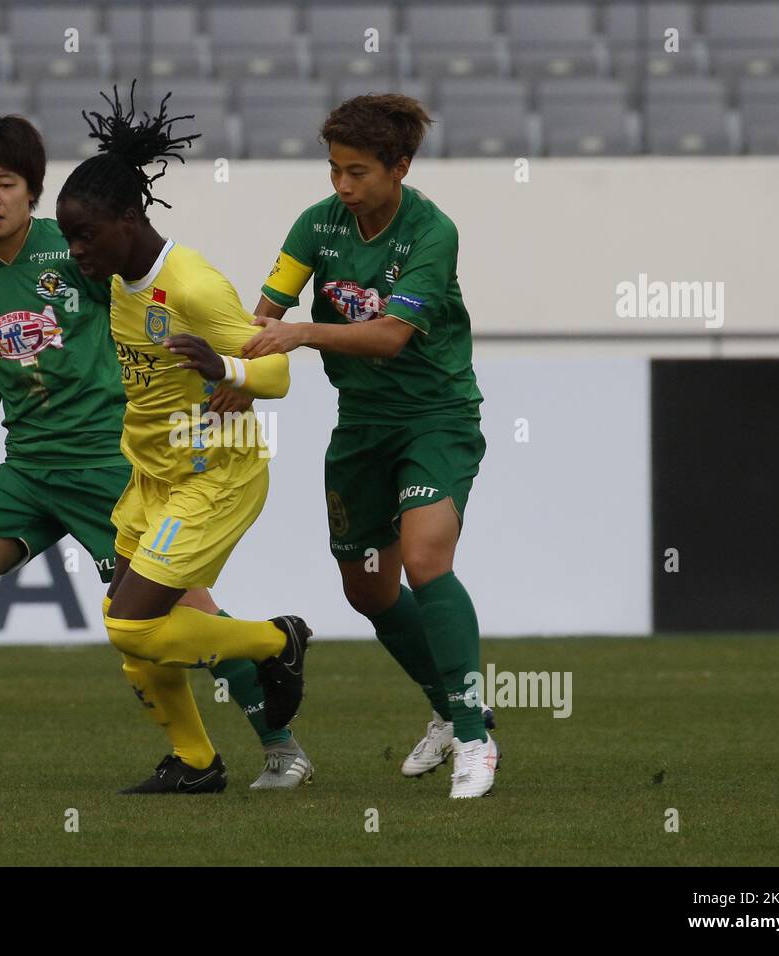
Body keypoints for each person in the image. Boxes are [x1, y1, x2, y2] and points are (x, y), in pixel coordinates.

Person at [0, 112, 312, 792]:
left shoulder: (78, 248)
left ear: (32, 190)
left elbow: (155, 300)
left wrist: (226, 374)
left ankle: (282, 746)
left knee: (183, 617)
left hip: (111, 463)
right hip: (29, 469)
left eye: (7, 182)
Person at [240, 93, 499, 798]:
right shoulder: (317, 225)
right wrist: (237, 372)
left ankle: (476, 738)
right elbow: (265, 314)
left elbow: (387, 336)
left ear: (400, 166)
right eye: (334, 171)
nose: (343, 187)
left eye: (357, 172)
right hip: (360, 427)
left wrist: (299, 334)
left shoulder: (431, 233)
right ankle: (447, 707)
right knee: (368, 589)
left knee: (423, 558)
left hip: (435, 418)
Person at [55, 85, 312, 795]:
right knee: (133, 637)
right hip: (152, 478)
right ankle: (196, 765)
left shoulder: (194, 286)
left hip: (216, 475)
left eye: (84, 237)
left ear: (130, 219)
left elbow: (279, 370)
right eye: (69, 237)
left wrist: (227, 367)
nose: (76, 252)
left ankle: (275, 641)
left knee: (133, 628)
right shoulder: (115, 276)